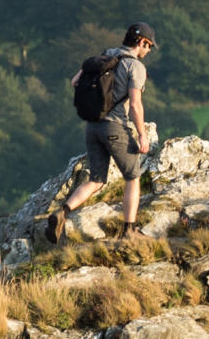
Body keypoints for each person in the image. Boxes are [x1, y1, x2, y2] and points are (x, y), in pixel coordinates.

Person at [46, 22, 156, 243]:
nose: (149, 50)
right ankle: (129, 230)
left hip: (93, 127)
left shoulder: (106, 55)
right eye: (149, 45)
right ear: (142, 42)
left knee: (97, 179)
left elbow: (75, 81)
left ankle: (62, 212)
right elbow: (135, 104)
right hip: (115, 128)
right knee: (133, 177)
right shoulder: (135, 66)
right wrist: (142, 135)